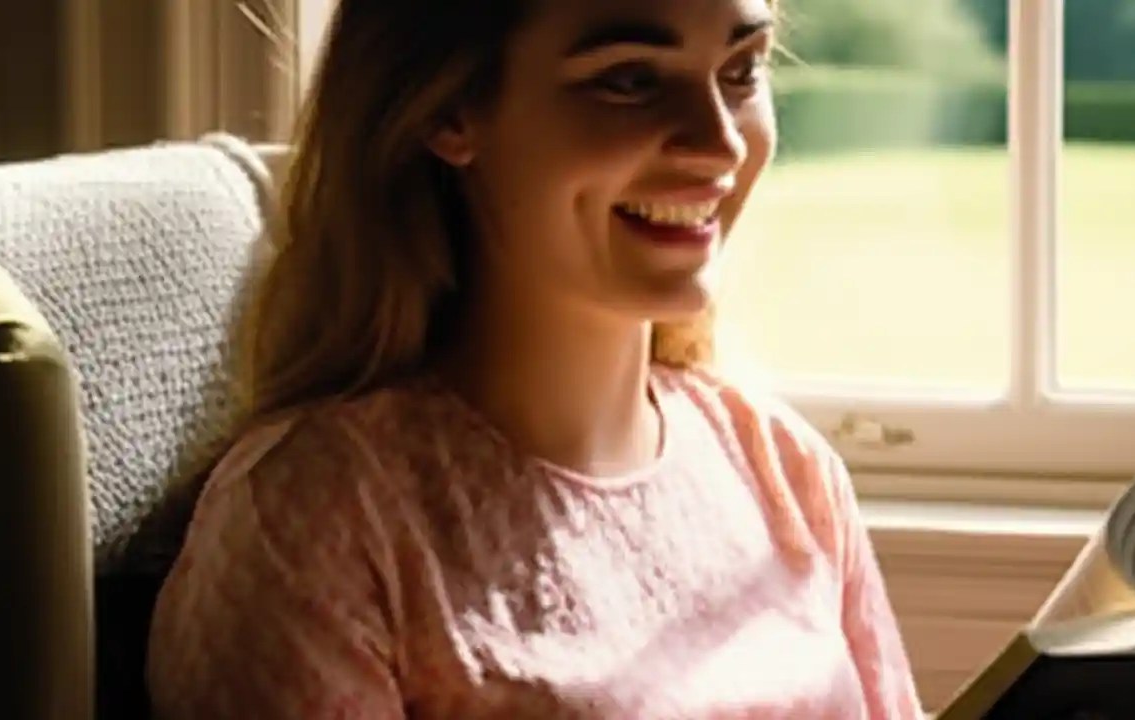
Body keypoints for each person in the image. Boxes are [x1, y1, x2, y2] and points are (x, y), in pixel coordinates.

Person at [145, 0, 926, 717]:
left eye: (741, 71)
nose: (718, 140)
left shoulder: (782, 470)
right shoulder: (316, 524)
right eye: (630, 80)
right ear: (449, 110)